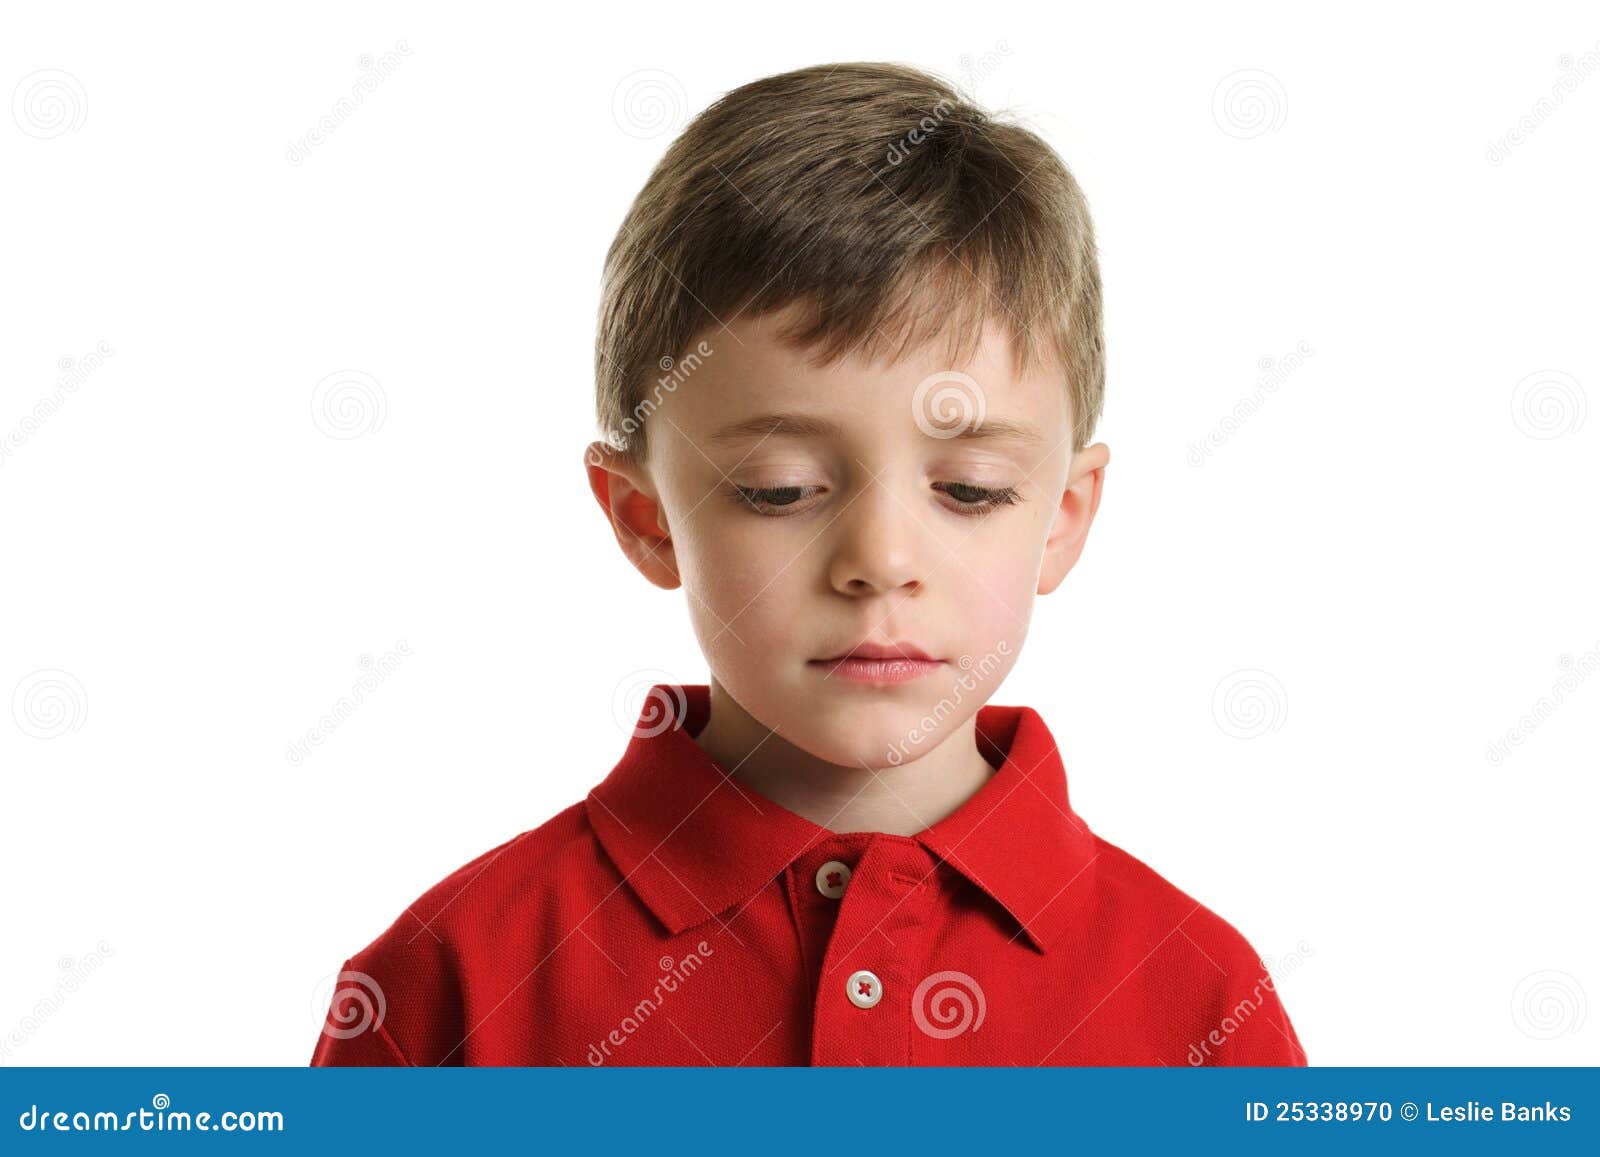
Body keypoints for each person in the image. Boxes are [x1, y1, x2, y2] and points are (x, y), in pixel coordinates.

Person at [311, 61, 1307, 1067]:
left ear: (1062, 517)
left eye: (969, 489)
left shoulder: (1200, 998)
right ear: (645, 516)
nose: (879, 561)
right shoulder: (452, 978)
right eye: (779, 489)